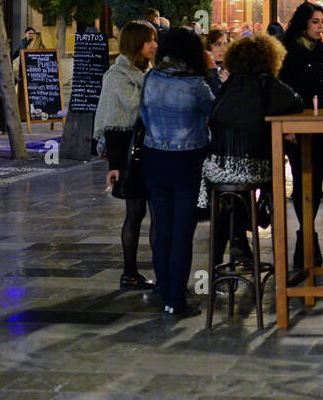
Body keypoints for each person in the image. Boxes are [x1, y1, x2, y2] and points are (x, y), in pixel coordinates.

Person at [199, 33, 303, 266]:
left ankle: (218, 262)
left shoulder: (228, 84)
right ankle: (261, 218)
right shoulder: (265, 82)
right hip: (253, 168)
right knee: (266, 183)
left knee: (230, 200)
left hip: (216, 171)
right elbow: (296, 101)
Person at [140, 27, 215, 318]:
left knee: (162, 228)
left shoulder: (151, 78)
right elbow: (215, 110)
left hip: (154, 157)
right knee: (183, 231)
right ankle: (175, 299)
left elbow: (144, 116)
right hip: (188, 160)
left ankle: (165, 290)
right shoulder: (196, 84)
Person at [278, 1, 323, 268]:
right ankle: (306, 237)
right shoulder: (287, 49)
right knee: (300, 180)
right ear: (304, 22)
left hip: (322, 122)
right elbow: (281, 85)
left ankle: (307, 236)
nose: (320, 27)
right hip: (296, 122)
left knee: (316, 181)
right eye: (315, 22)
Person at [93, 20, 158, 291]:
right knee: (135, 213)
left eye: (154, 40)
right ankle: (129, 273)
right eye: (149, 40)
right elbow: (117, 122)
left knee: (157, 214)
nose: (154, 45)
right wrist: (116, 165)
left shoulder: (148, 73)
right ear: (135, 44)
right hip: (130, 156)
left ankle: (162, 271)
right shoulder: (117, 76)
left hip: (151, 152)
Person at [204, 28, 229, 95]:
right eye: (217, 44)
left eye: (225, 44)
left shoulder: (230, 68)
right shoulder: (200, 71)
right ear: (208, 46)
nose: (223, 49)